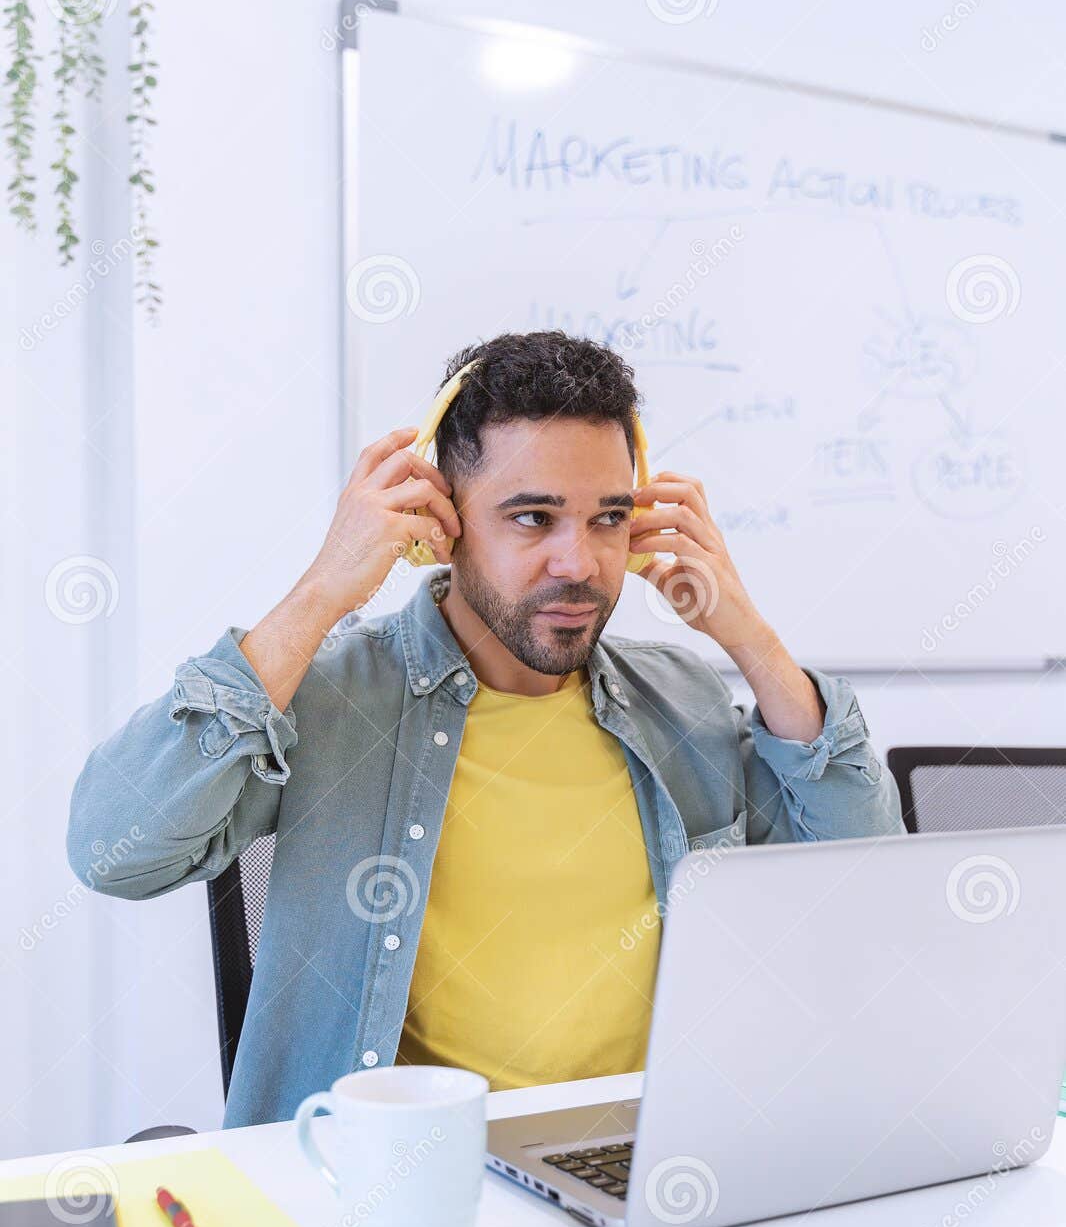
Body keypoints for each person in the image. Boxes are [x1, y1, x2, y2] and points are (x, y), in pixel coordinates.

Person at [67, 331, 904, 1128]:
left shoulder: (680, 696)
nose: (578, 563)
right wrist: (324, 589)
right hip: (400, 1187)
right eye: (533, 518)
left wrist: (747, 636)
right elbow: (113, 850)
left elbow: (864, 892)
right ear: (443, 520)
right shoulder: (326, 698)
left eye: (608, 517)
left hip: (649, 1168)